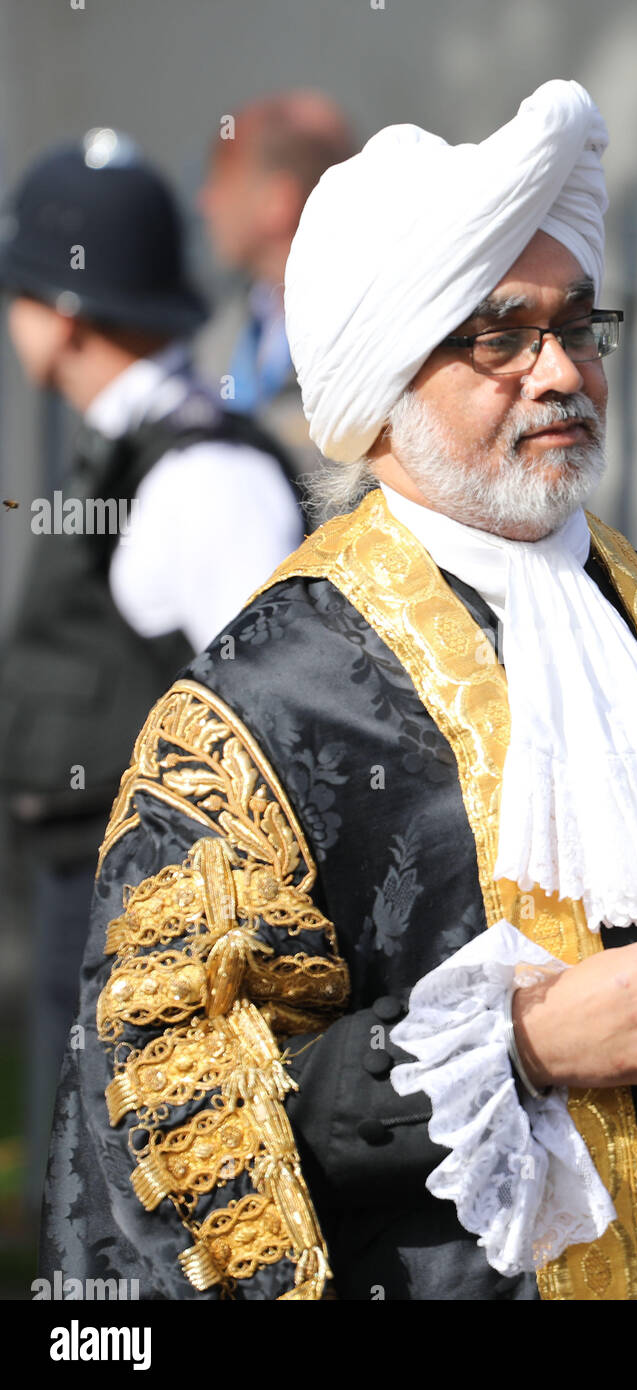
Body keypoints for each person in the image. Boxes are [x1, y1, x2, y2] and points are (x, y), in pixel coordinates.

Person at [40, 83, 637, 1301]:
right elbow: (174, 1112)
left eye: (578, 326)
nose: (560, 371)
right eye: (500, 335)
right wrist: (529, 1045)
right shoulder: (262, 707)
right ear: (385, 379)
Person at [0, 128, 306, 1210]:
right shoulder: (130, 454)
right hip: (80, 913)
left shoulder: (205, 473)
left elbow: (287, 730)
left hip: (151, 952)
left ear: (66, 309)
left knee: (127, 1229)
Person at [195, 91, 356, 474]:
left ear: (277, 201)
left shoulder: (361, 333)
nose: (206, 202)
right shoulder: (221, 334)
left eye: (224, 181)